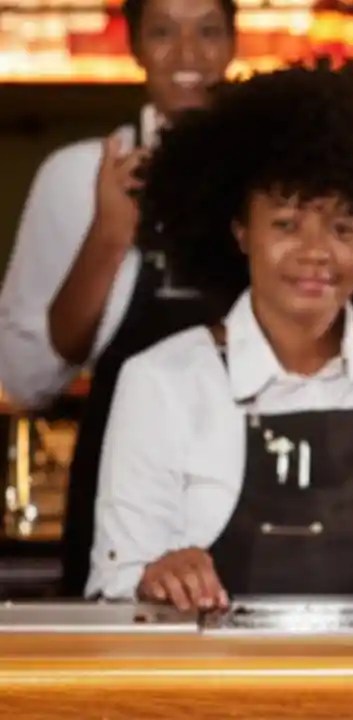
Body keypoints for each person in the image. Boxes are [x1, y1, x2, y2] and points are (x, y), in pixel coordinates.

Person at [84, 60, 353, 610]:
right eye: (287, 224)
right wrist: (156, 577)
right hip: (215, 685)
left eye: (344, 227)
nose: (317, 251)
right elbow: (114, 582)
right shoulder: (161, 381)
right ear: (240, 231)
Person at [0, 0, 237, 595]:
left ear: (233, 44)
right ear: (134, 46)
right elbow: (29, 379)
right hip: (121, 477)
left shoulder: (273, 177)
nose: (188, 54)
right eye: (163, 32)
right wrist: (109, 234)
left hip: (248, 477)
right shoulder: (76, 174)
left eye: (207, 31)